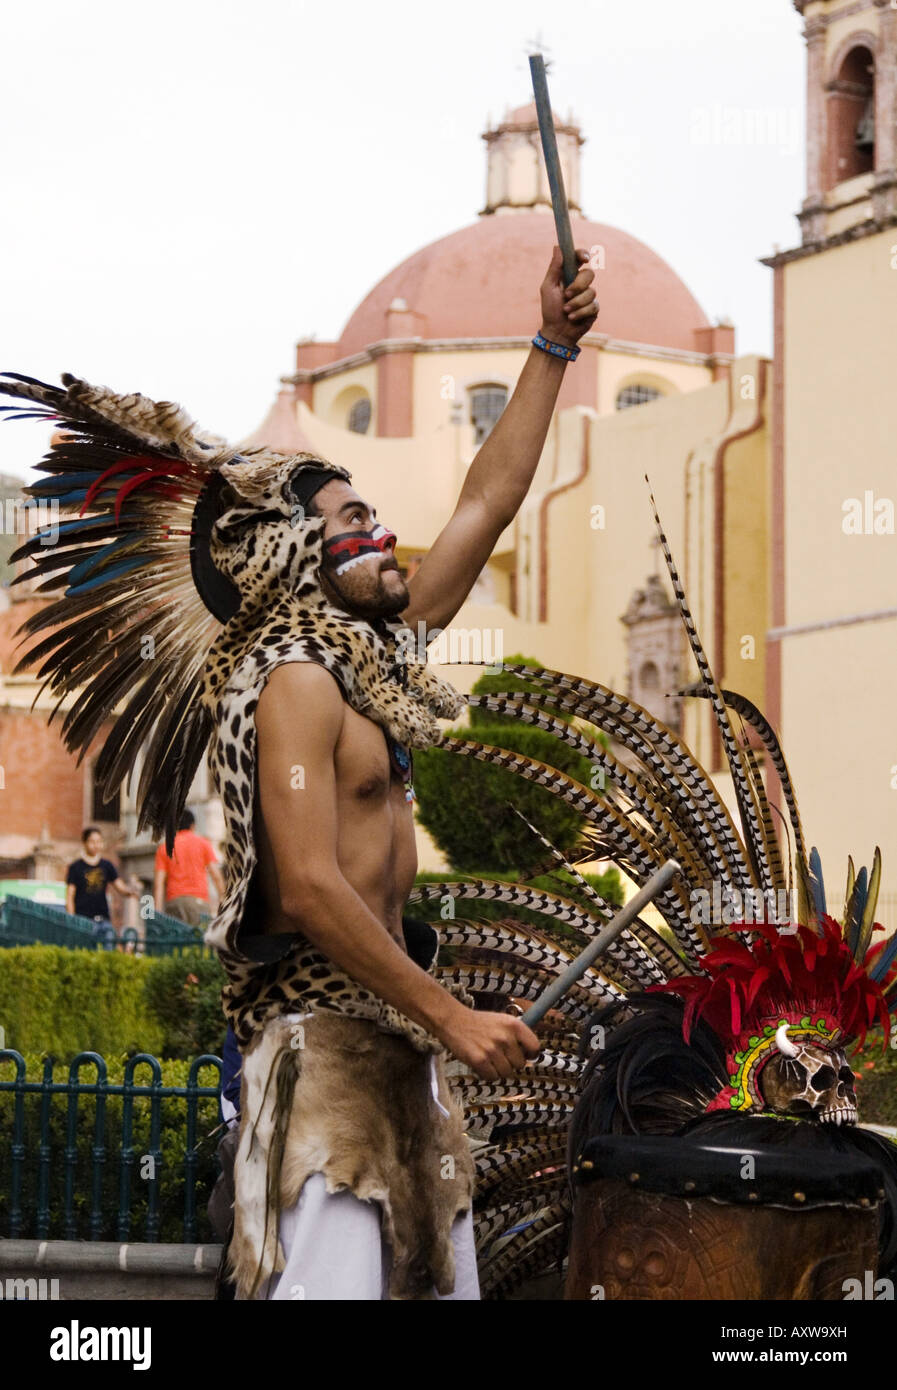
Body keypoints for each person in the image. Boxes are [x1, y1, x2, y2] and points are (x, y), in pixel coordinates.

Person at [0, 243, 599, 1300]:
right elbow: (312, 885)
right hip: (319, 1051)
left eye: (372, 512)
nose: (379, 528)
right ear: (286, 555)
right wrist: (454, 1017)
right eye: (349, 520)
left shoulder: (377, 651)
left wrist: (551, 344)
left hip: (401, 1039)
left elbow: (486, 504)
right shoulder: (292, 681)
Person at [65, 826, 139, 944]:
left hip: (103, 919)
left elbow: (120, 886)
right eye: (92, 841)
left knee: (108, 949)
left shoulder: (107, 865)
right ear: (84, 843)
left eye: (99, 841)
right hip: (83, 919)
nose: (96, 845)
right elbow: (70, 895)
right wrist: (71, 919)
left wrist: (131, 891)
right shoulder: (75, 867)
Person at [153, 809, 224, 925]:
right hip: (198, 902)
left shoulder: (164, 847)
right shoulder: (203, 844)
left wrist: (157, 912)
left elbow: (158, 884)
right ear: (193, 826)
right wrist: (223, 899)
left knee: (177, 941)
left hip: (174, 902)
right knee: (198, 940)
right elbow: (216, 875)